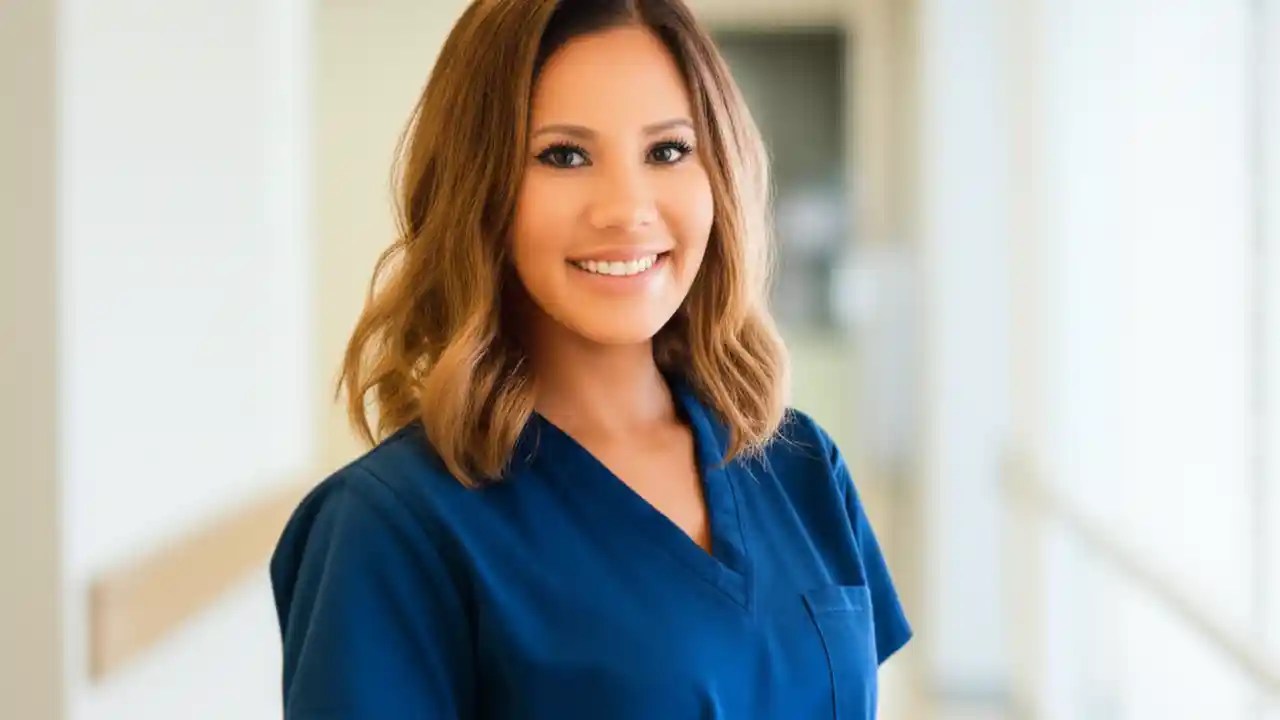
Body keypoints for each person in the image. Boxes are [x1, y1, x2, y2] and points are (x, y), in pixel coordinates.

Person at [269, 0, 913, 717]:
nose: (627, 209)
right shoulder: (391, 529)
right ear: (479, 190)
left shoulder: (799, 467)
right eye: (564, 155)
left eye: (668, 150)